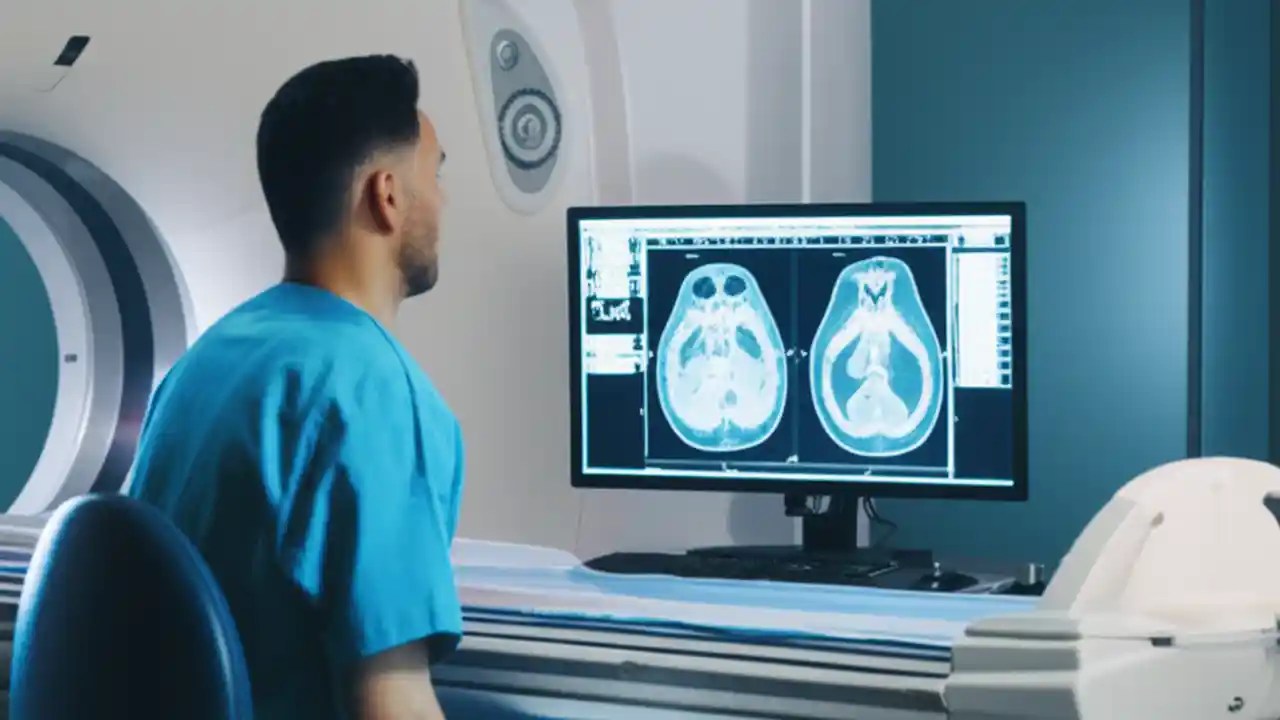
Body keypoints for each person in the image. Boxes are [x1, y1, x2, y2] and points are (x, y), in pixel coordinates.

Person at [128, 55, 462, 720]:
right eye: (437, 172)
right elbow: (389, 702)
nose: (445, 199)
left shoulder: (206, 360)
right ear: (388, 195)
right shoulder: (373, 391)